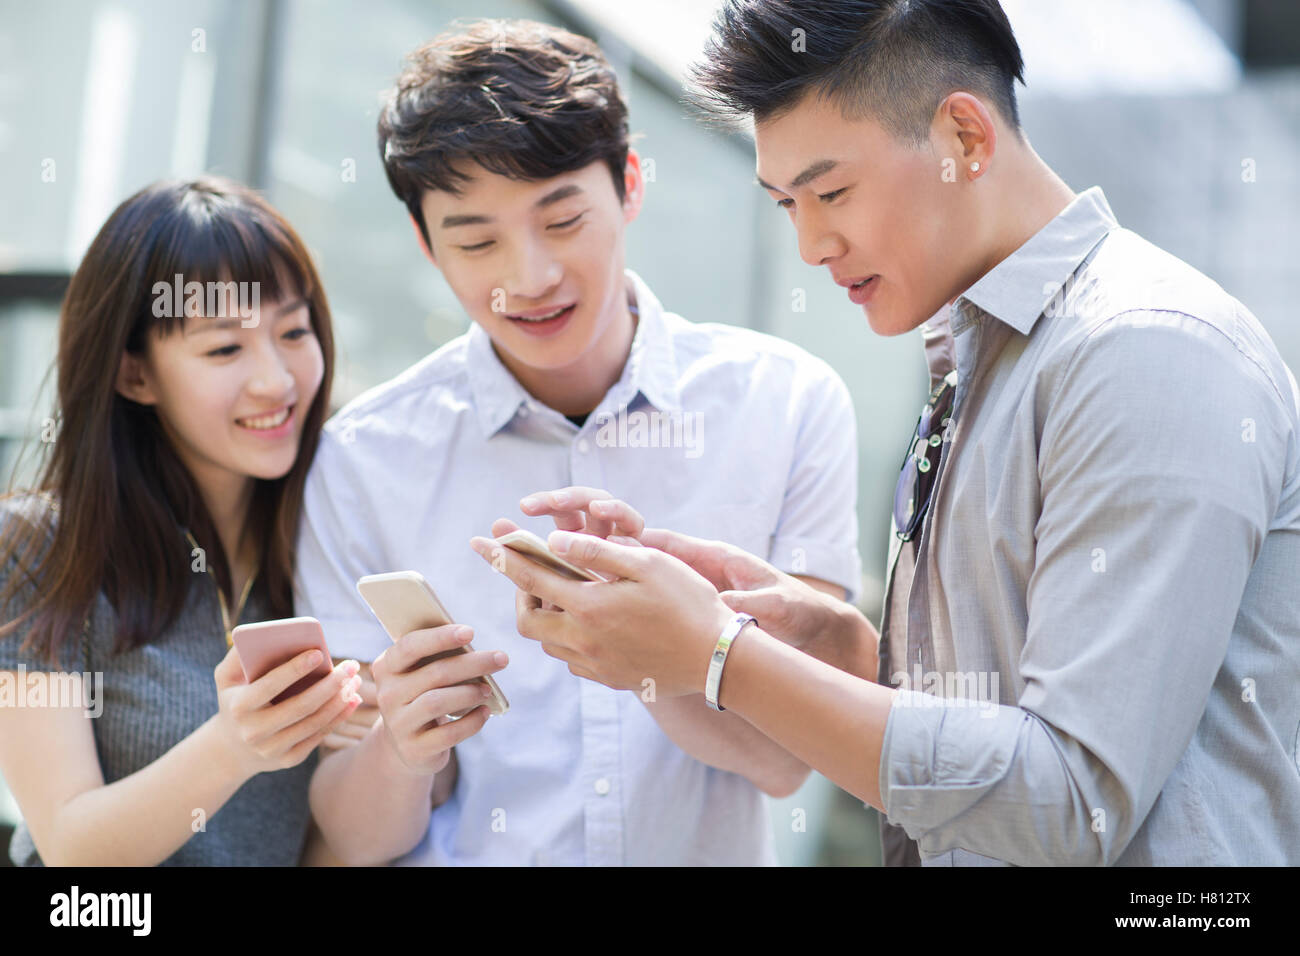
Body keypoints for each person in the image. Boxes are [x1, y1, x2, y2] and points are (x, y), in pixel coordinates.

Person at [475, 0, 1300, 866]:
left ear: (965, 140)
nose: (810, 245)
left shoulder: (1143, 348)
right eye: (787, 201)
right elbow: (994, 726)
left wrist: (721, 655)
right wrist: (839, 650)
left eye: (831, 192)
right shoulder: (982, 356)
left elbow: (1071, 800)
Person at [299, 18, 865, 865]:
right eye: (477, 240)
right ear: (424, 242)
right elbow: (349, 837)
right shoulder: (362, 460)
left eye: (562, 218)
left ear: (629, 185)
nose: (528, 278)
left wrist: (656, 655)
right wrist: (403, 750)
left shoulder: (784, 404)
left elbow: (791, 763)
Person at [0, 177, 363, 866]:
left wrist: (402, 747)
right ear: (135, 375)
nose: (276, 381)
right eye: (225, 349)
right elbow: (71, 845)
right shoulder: (38, 547)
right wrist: (233, 747)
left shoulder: (329, 539)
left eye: (293, 332)